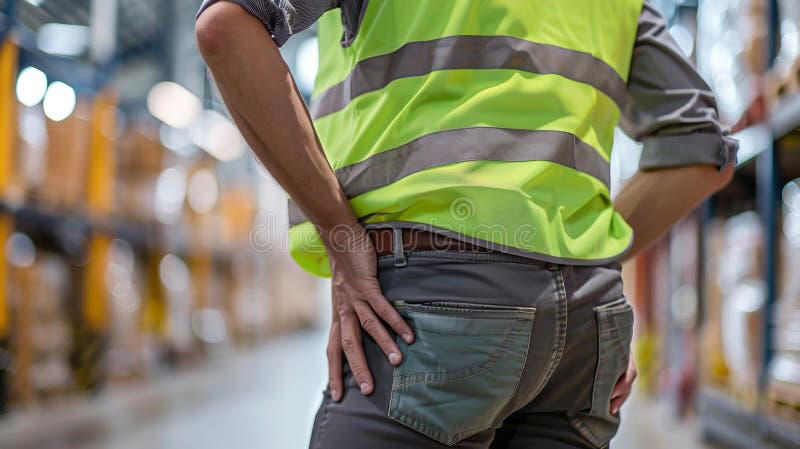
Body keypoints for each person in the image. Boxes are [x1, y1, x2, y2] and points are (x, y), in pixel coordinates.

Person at [194, 1, 737, 447]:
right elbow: (702, 148)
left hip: (434, 302)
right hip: (587, 331)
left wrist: (342, 238)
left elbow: (226, 27)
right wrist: (587, 265)